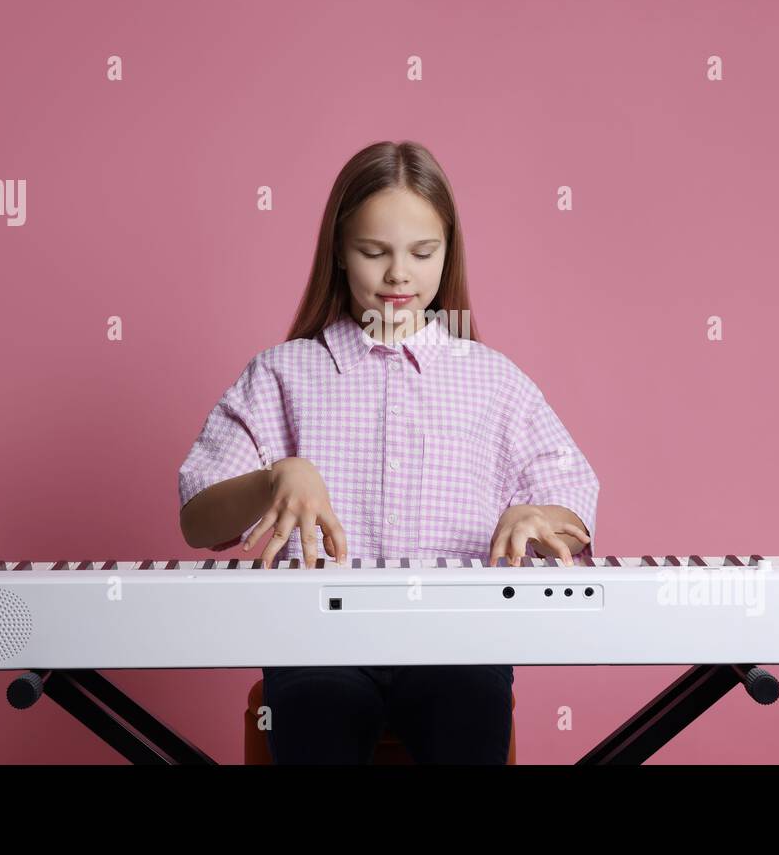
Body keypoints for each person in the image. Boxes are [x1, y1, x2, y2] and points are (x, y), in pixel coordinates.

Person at [178, 140, 600, 764]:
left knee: (467, 704)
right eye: (373, 252)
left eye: (422, 252)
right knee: (320, 708)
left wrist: (539, 519)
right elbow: (196, 521)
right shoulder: (283, 374)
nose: (399, 274)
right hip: (319, 643)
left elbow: (574, 510)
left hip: (457, 643)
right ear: (339, 255)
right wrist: (274, 479)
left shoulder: (493, 379)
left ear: (447, 253)